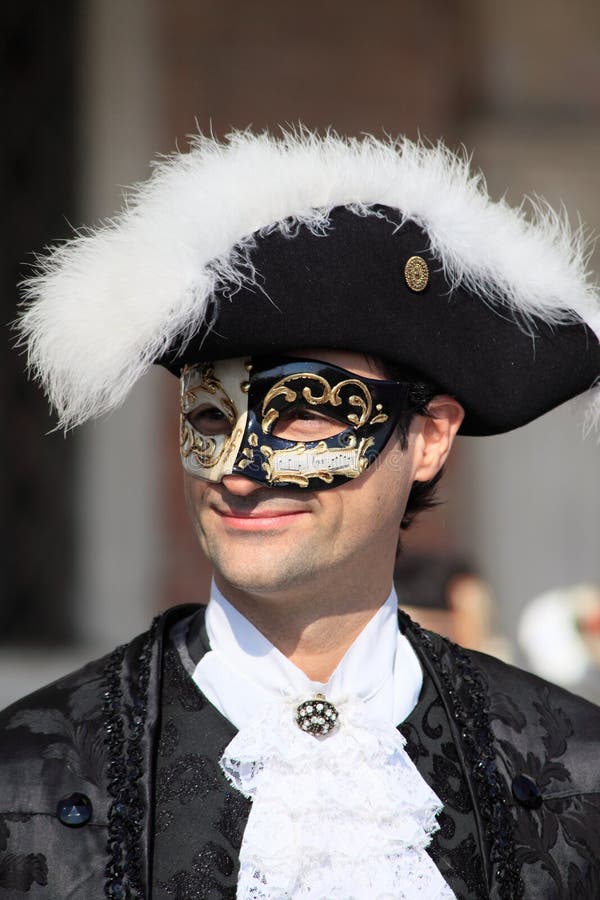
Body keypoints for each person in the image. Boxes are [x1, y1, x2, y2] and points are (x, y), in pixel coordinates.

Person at [2, 129, 600, 899]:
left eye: (304, 416)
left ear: (427, 438)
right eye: (213, 419)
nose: (239, 474)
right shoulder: (26, 784)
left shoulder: (572, 775)